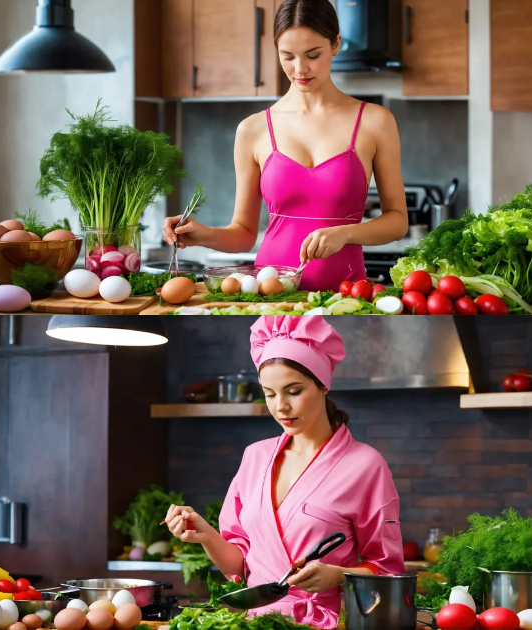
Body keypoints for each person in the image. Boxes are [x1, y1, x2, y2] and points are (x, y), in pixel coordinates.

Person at [161, 316, 404, 629]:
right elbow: (242, 567)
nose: (280, 407)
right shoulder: (255, 456)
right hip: (255, 622)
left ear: (322, 385)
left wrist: (337, 575)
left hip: (325, 622)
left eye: (293, 391)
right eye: (270, 393)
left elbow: (388, 570)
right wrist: (205, 535)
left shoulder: (365, 465)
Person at [162, 0, 408, 291]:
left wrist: (345, 233)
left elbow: (397, 221)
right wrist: (202, 234)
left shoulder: (375, 121)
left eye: (312, 55)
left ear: (336, 44)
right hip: (271, 292)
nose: (300, 69)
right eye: (287, 56)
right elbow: (243, 233)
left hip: (346, 293)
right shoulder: (252, 129)